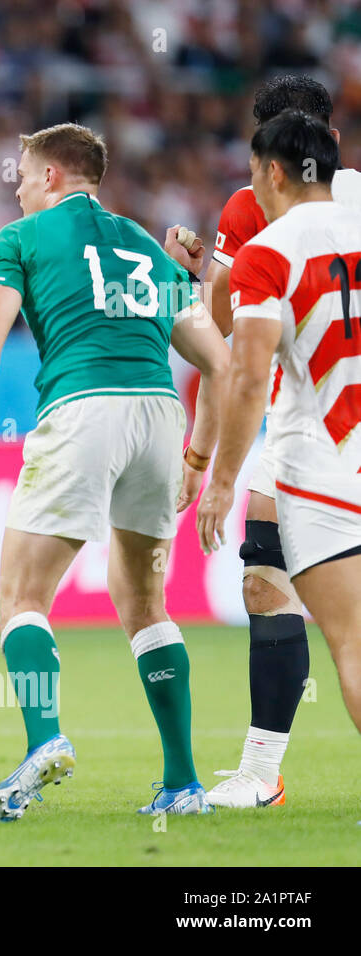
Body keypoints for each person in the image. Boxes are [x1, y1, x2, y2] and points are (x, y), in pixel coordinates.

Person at [0, 123, 230, 821]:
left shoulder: (22, 240)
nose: (16, 188)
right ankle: (183, 782)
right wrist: (200, 456)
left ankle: (44, 738)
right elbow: (220, 362)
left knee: (21, 594)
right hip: (160, 414)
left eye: (22, 175)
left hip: (83, 409)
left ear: (51, 176)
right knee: (144, 602)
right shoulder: (145, 244)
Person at [195, 76, 361, 809]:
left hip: (312, 445)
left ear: (271, 162)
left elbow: (234, 350)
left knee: (341, 635)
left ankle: (261, 772)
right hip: (303, 439)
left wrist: (213, 469)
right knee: (265, 581)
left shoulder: (259, 221)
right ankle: (262, 771)